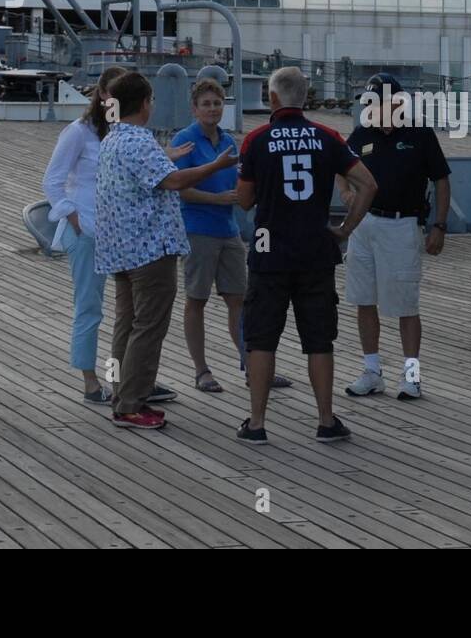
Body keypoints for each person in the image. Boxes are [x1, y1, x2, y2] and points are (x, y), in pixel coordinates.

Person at [235, 67, 377, 445]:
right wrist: (345, 229)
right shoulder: (327, 137)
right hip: (316, 252)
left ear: (273, 98)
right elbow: (368, 184)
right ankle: (326, 420)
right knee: (319, 341)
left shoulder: (256, 140)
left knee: (262, 339)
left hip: (269, 254)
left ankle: (258, 423)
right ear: (306, 97)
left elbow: (245, 199)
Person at [94, 71, 239, 429]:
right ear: (144, 104)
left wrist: (166, 155)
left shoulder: (113, 140)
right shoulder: (140, 142)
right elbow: (173, 181)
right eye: (152, 100)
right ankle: (131, 405)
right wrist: (216, 166)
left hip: (121, 250)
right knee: (149, 326)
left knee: (126, 324)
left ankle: (122, 394)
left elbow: (152, 171)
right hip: (149, 250)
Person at [171, 77, 291, 393]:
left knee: (239, 300)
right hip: (198, 230)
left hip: (229, 230)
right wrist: (217, 199)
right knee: (196, 301)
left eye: (217, 103)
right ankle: (202, 371)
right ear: (194, 109)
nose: (212, 109)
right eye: (206, 104)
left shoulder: (228, 141)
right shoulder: (185, 140)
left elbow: (241, 180)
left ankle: (253, 366)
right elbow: (179, 188)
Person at [340, 73, 451, 401]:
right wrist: (346, 194)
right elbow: (340, 168)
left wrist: (439, 226)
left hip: (402, 226)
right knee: (363, 299)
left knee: (406, 304)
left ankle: (412, 376)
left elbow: (442, 180)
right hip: (364, 225)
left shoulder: (419, 135)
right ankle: (372, 372)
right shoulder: (360, 135)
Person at [42, 65, 128, 404]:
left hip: (120, 232)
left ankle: (132, 380)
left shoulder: (125, 132)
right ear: (103, 94)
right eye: (114, 95)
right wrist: (72, 214)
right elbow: (51, 180)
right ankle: (91, 383)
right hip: (87, 230)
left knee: (131, 311)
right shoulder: (79, 131)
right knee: (89, 307)